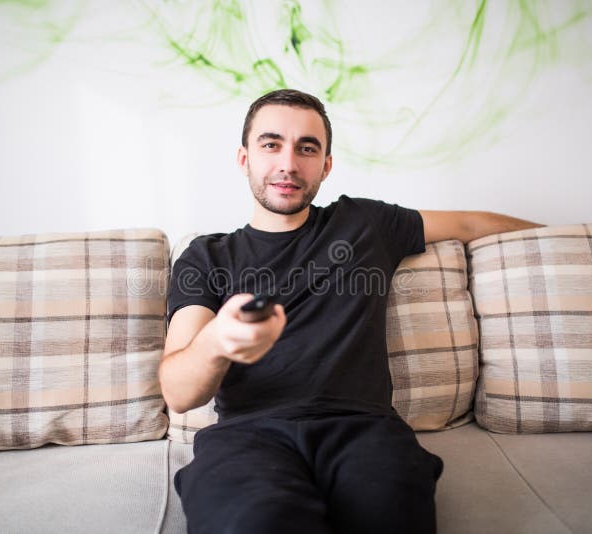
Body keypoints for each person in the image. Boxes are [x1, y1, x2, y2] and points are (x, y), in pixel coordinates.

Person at [161, 89, 544, 534]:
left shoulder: (364, 223)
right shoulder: (207, 257)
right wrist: (217, 341)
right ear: (244, 158)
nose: (288, 163)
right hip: (248, 437)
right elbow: (179, 393)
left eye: (307, 148)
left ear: (326, 165)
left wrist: (566, 238)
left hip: (365, 432)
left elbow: (471, 225)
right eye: (271, 144)